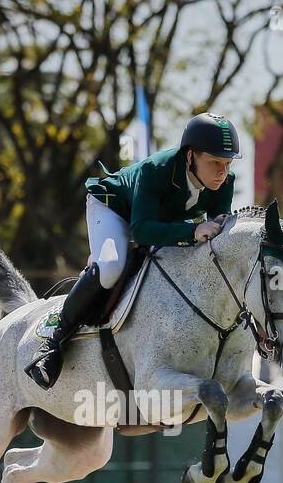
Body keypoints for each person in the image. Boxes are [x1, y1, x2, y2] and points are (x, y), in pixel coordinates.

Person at [25, 112, 242, 389]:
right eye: (214, 162)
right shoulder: (157, 170)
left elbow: (214, 235)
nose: (222, 172)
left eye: (227, 163)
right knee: (112, 267)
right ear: (190, 156)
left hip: (159, 219)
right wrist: (192, 232)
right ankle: (52, 345)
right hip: (114, 210)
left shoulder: (225, 181)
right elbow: (141, 230)